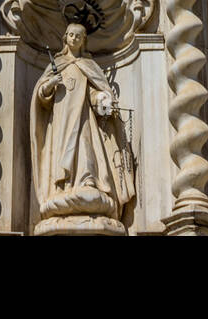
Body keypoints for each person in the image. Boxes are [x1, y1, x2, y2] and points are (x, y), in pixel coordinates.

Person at [30, 21, 132, 223]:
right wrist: (50, 84)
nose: (74, 38)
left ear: (84, 41)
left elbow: (96, 90)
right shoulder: (57, 65)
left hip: (84, 117)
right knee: (60, 152)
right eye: (71, 35)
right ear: (65, 38)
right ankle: (64, 186)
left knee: (86, 149)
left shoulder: (90, 65)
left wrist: (102, 99)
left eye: (79, 36)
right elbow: (40, 95)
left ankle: (87, 180)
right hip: (61, 118)